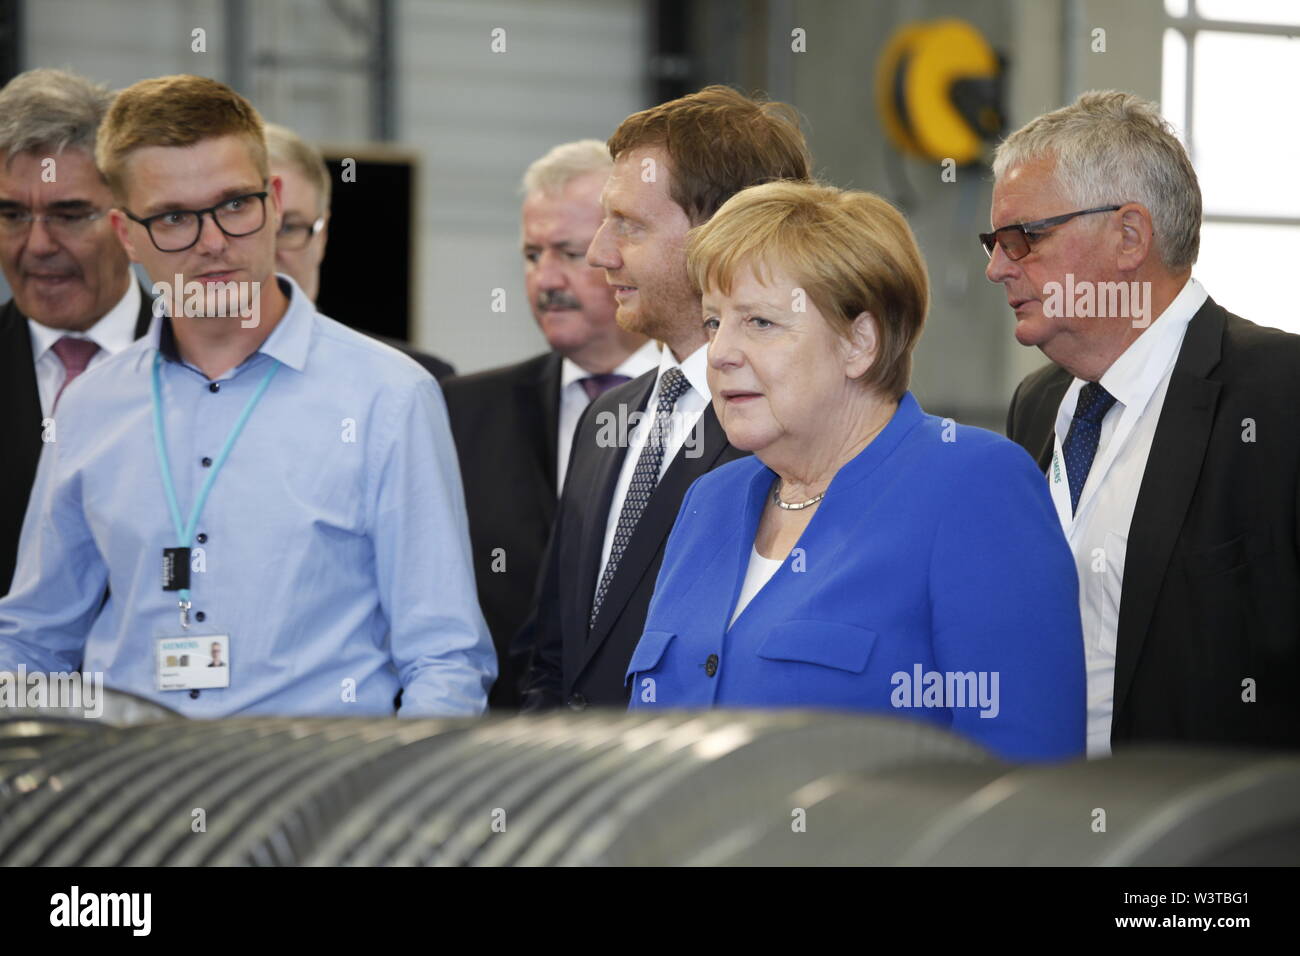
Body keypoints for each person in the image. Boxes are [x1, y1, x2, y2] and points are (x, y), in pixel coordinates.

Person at [0, 74, 494, 717]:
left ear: (275, 196)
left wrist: (383, 810)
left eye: (235, 204)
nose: (213, 241)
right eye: (175, 217)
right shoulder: (90, 406)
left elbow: (445, 660)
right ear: (126, 235)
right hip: (135, 797)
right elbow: (32, 644)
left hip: (318, 797)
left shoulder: (388, 396)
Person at [624, 181, 1085, 762]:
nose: (720, 354)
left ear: (858, 343)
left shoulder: (972, 487)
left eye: (759, 323)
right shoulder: (708, 502)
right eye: (714, 322)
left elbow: (1024, 779)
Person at [993, 91, 1300, 753]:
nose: (997, 268)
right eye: (994, 243)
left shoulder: (1280, 397)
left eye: (1023, 240)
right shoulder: (1039, 406)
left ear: (1129, 235)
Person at [519, 86, 812, 711]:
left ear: (724, 233)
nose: (599, 253)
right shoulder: (608, 416)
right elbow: (555, 654)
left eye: (628, 225)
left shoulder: (796, 428)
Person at [442, 140, 657, 708]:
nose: (545, 279)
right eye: (532, 255)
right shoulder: (460, 412)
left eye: (567, 251)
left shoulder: (725, 409)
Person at [0, 68, 155, 596]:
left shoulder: (206, 364)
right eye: (12, 214)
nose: (37, 244)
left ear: (127, 223)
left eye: (68, 214)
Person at [263, 121, 455, 381]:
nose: (266, 251)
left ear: (322, 234)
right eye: (254, 229)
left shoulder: (414, 379)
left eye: (288, 228)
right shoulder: (194, 375)